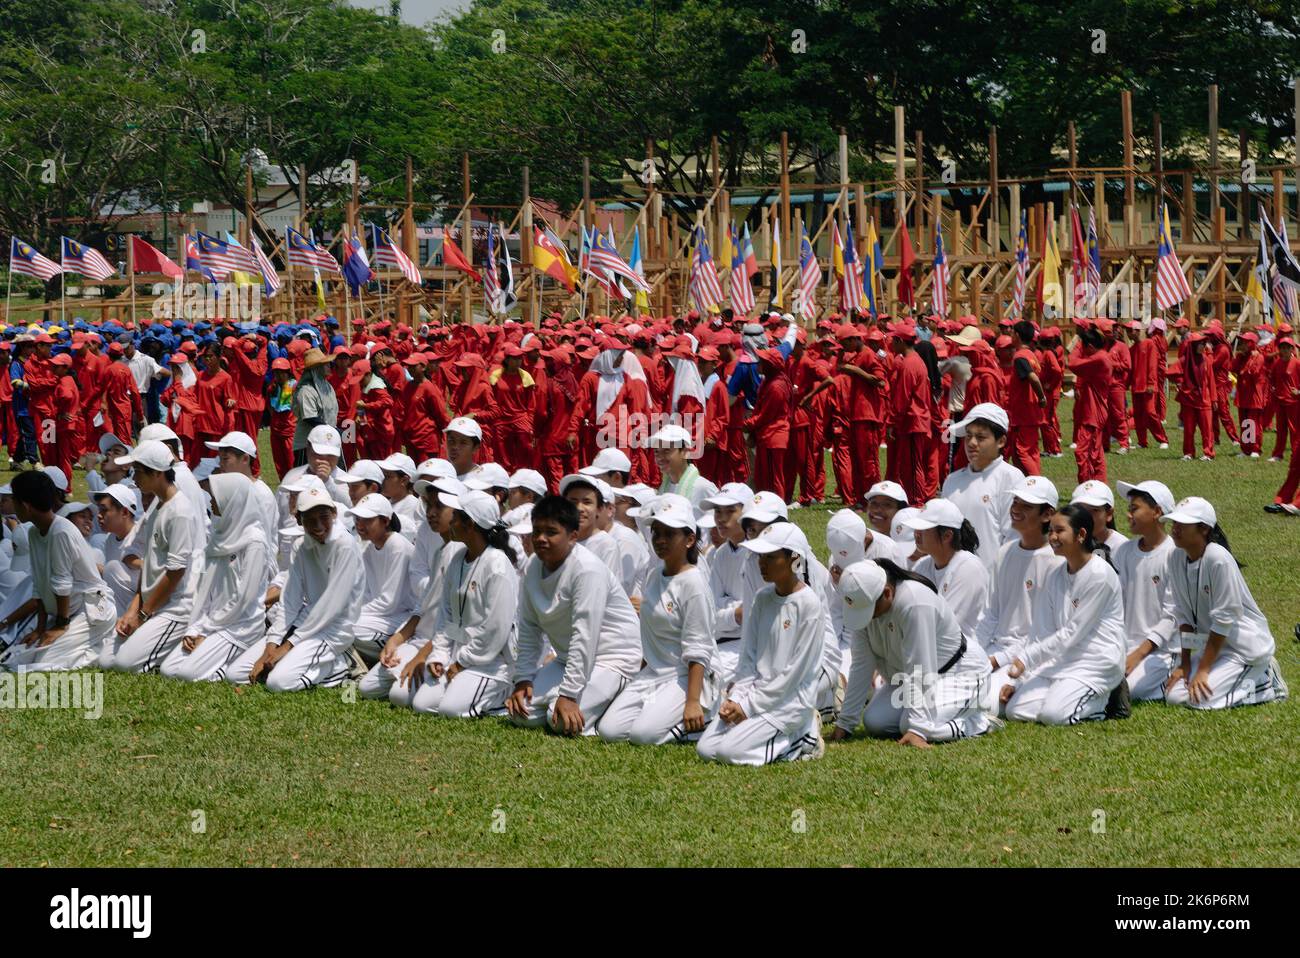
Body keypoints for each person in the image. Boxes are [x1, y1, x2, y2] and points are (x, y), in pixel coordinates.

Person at [506, 495, 642, 735]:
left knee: (559, 721)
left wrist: (568, 694)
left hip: (614, 659)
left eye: (551, 532)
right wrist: (523, 679)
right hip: (567, 658)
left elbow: (585, 635)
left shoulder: (586, 570)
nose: (540, 539)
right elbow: (529, 628)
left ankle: (621, 693)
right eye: (536, 531)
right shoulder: (532, 567)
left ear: (572, 536)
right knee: (521, 713)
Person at [696, 522, 825, 765]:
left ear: (794, 559)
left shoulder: (808, 604)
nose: (761, 563)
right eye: (760, 556)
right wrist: (737, 698)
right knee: (706, 748)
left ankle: (804, 736)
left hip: (789, 701)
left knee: (728, 753)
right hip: (757, 695)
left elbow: (793, 675)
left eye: (770, 557)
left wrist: (748, 706)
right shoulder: (762, 599)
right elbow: (748, 660)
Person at [831, 557, 994, 746]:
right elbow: (861, 664)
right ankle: (925, 720)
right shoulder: (863, 603)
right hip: (908, 680)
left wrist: (918, 729)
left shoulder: (915, 602)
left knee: (910, 725)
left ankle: (978, 722)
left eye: (870, 610)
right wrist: (845, 722)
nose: (868, 618)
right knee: (874, 722)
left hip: (961, 673)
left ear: (887, 593)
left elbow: (920, 665)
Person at [599, 493, 718, 745]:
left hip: (684, 675)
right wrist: (640, 678)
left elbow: (699, 648)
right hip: (654, 673)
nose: (660, 540)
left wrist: (693, 702)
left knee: (644, 735)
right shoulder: (655, 575)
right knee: (610, 731)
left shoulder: (693, 583)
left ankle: (707, 717)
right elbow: (650, 636)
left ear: (689, 539)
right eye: (656, 533)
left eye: (669, 534)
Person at [1001, 503, 1128, 725]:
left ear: (1081, 535)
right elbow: (1041, 631)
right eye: (1050, 531)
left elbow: (1072, 633)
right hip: (1065, 659)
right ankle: (1064, 695)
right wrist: (1022, 679)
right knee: (1015, 710)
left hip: (1096, 661)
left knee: (1054, 716)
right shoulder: (1056, 575)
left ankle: (1105, 701)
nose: (1052, 537)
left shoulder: (1100, 575)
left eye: (1059, 531)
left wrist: (1027, 659)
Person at [1162, 497, 1287, 709]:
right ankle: (1246, 678)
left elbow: (1224, 620)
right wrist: (1184, 664)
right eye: (1174, 523)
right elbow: (1184, 615)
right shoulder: (1175, 556)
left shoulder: (1217, 558)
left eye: (1182, 524)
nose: (1175, 529)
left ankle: (1266, 679)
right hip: (1213, 647)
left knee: (1197, 700)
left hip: (1243, 650)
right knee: (1173, 696)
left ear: (1203, 529)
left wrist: (1203, 669)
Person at [240, 486, 366, 691]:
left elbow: (332, 606)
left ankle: (341, 665)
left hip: (335, 629)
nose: (318, 526)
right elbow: (290, 601)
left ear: (334, 513)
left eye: (323, 517)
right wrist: (271, 645)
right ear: (299, 520)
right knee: (237, 673)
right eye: (309, 519)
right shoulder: (301, 546)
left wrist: (287, 646)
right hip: (307, 624)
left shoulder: (345, 546)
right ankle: (316, 660)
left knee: (277, 682)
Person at [406, 490, 518, 717]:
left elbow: (495, 630)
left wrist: (463, 663)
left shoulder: (497, 564)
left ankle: (505, 693)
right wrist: (439, 655)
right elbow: (445, 617)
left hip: (493, 661)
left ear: (471, 524)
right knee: (421, 703)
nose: (451, 521)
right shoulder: (458, 558)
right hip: (459, 654)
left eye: (456, 516)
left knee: (449, 710)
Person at [159, 473, 274, 682]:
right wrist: (195, 627)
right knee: (169, 669)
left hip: (240, 625)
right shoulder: (219, 535)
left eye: (215, 497)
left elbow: (244, 597)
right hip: (211, 621)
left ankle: (237, 656)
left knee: (187, 673)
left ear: (232, 499)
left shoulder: (254, 542)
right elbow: (204, 588)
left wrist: (207, 630)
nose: (211, 501)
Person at [0, 470, 115, 671]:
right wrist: (41, 628)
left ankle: (100, 647)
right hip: (67, 611)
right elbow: (40, 584)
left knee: (43, 662)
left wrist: (60, 627)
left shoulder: (61, 531)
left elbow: (62, 584)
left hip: (91, 610)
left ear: (25, 506)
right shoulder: (35, 532)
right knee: (25, 656)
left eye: (15, 501)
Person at [105, 440, 200, 672]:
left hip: (175, 607)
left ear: (157, 473)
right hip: (151, 605)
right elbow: (149, 569)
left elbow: (176, 572)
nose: (134, 477)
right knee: (106, 659)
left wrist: (143, 614)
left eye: (138, 471)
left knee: (124, 663)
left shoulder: (180, 512)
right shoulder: (157, 505)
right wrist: (132, 610)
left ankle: (177, 645)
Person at [974, 475, 1062, 709]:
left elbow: (1042, 631)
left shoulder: (1057, 562)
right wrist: (975, 651)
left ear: (1047, 514)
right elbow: (991, 613)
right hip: (996, 648)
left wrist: (997, 660)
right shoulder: (1005, 552)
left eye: (1027, 506)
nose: (1016, 509)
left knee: (985, 703)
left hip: (1031, 655)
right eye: (1015, 502)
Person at [1112, 480, 1179, 701]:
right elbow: (1116, 604)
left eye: (1134, 509)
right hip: (1125, 645)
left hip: (1161, 651)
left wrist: (1139, 653)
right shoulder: (1125, 551)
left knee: (1128, 691)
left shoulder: (1174, 555)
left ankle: (1168, 679)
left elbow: (1172, 615)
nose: (1129, 515)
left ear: (1157, 512)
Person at [940, 403, 1024, 569]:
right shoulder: (952, 481)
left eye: (981, 437)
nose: (971, 443)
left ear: (1001, 441)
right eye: (968, 436)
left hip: (993, 579)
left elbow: (1014, 537)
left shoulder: (1011, 479)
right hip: (954, 577)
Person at [347, 493, 418, 667]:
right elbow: (368, 593)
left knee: (348, 627)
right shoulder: (370, 549)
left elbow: (389, 602)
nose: (359, 524)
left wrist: (354, 614)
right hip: (382, 614)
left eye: (366, 520)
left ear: (385, 521)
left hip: (402, 615)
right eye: (357, 519)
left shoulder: (398, 546)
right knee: (342, 623)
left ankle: (371, 656)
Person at [904, 498, 990, 637]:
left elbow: (946, 625)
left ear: (947, 536)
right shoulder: (922, 565)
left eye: (923, 529)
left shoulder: (969, 568)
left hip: (967, 651)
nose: (916, 533)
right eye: (916, 528)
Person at [93, 483, 142, 617]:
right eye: (99, 510)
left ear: (125, 512)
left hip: (143, 606)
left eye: (104, 510)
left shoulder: (143, 536)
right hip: (123, 602)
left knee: (113, 567)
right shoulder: (110, 539)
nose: (99, 515)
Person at [1005, 321, 1047, 474]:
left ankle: (1036, 485)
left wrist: (1042, 397)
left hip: (1024, 413)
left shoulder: (1020, 357)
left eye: (1012, 333)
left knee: (1022, 451)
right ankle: (1027, 485)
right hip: (1031, 412)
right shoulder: (1031, 355)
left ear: (1017, 335)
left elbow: (1033, 378)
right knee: (1031, 452)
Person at [291, 348, 338, 467]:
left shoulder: (327, 387)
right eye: (325, 364)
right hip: (307, 445)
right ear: (316, 368)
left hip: (326, 442)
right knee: (305, 480)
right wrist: (331, 430)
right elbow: (310, 417)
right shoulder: (306, 391)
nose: (329, 366)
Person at [1070, 480, 1128, 550]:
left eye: (1094, 510)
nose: (1085, 516)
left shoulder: (1122, 548)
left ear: (1109, 514)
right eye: (1079, 509)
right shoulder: (1066, 542)